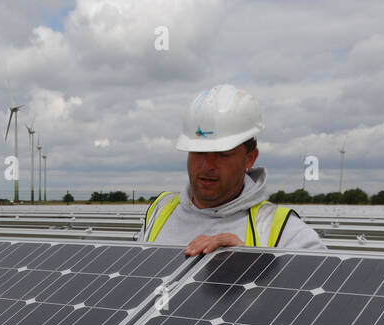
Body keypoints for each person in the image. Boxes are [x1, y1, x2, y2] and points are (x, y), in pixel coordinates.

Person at [139, 84, 326, 254]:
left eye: (222, 154)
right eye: (198, 152)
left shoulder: (283, 231)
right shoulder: (160, 210)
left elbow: (328, 285)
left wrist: (252, 266)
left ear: (250, 158)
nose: (207, 166)